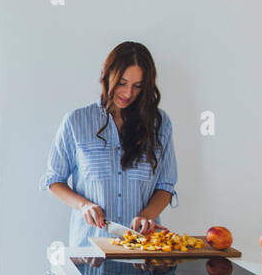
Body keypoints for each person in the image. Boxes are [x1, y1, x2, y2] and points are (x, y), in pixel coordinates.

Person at [41, 41, 178, 249]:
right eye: (122, 83)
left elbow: (165, 186)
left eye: (137, 86)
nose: (128, 93)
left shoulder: (159, 124)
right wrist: (84, 205)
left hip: (142, 251)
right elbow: (54, 180)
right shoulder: (76, 122)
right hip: (89, 250)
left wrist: (147, 215)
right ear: (107, 76)